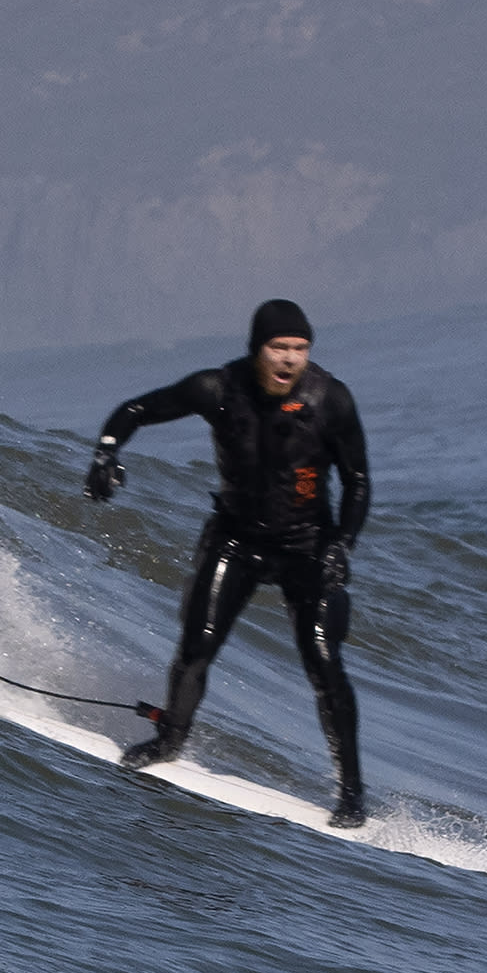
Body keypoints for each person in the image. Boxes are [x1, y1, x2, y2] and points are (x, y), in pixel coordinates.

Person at [84, 298, 374, 824]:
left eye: (300, 349)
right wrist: (107, 452)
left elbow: (357, 481)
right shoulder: (217, 390)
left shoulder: (331, 400)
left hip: (309, 546)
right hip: (236, 538)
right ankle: (169, 739)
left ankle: (352, 793)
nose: (289, 359)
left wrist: (342, 545)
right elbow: (137, 411)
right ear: (256, 348)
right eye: (279, 347)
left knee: (324, 663)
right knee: (197, 644)